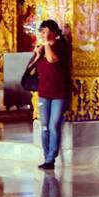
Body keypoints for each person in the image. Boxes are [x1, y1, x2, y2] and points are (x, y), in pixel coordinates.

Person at [30, 19, 71, 170]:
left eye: (47, 31)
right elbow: (32, 69)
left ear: (54, 33)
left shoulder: (61, 47)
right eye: (42, 31)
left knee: (54, 125)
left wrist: (47, 44)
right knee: (45, 126)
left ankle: (51, 157)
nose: (44, 34)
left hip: (59, 93)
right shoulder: (41, 49)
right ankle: (46, 156)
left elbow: (52, 59)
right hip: (44, 93)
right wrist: (36, 54)